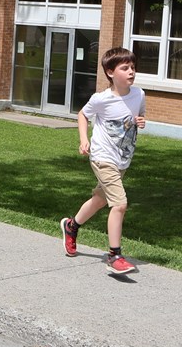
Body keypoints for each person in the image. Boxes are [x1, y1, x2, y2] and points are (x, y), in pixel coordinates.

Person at [60, 46, 147, 274]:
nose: (131, 72)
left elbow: (140, 115)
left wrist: (140, 121)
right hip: (102, 157)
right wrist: (83, 139)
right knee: (119, 204)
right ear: (110, 72)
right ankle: (114, 255)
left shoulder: (139, 94)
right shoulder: (101, 99)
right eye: (125, 68)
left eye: (133, 67)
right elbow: (82, 114)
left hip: (122, 160)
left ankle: (71, 226)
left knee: (100, 200)